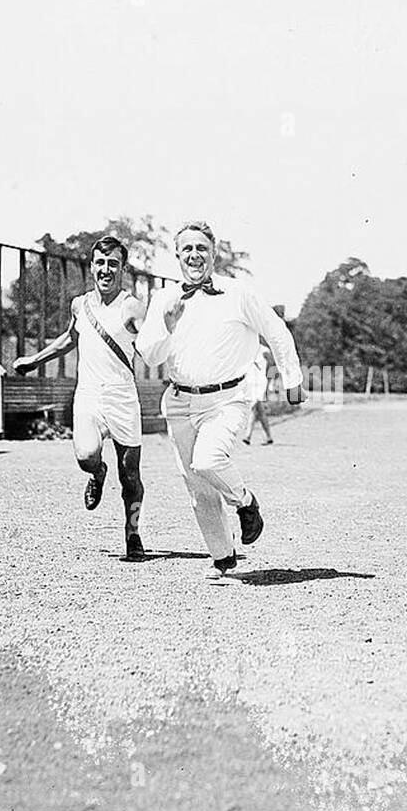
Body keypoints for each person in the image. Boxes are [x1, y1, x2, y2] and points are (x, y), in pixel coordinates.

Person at [136, 220, 303, 581]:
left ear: (213, 254)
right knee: (197, 487)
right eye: (188, 249)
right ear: (177, 255)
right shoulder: (164, 298)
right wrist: (166, 325)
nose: (195, 255)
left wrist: (293, 378)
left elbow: (275, 330)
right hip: (180, 401)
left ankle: (246, 502)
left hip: (228, 399)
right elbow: (149, 355)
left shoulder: (238, 292)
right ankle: (223, 557)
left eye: (202, 248)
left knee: (208, 460)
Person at [14, 235, 148, 562]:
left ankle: (132, 534)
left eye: (113, 264)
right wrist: (34, 360)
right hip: (88, 395)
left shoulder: (131, 307)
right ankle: (97, 473)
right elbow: (69, 339)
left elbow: (153, 345)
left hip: (122, 397)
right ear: (91, 267)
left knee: (130, 474)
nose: (106, 270)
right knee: (86, 456)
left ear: (122, 268)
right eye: (100, 263)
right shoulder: (81, 304)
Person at [241, 344, 275, 446]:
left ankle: (247, 436)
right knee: (260, 411)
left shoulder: (265, 351)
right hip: (251, 383)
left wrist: (270, 383)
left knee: (254, 407)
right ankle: (269, 437)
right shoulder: (246, 349)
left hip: (260, 383)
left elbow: (271, 368)